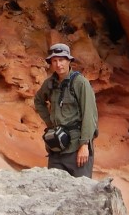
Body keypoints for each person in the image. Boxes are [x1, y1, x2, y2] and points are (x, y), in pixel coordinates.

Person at [33, 42, 98, 178]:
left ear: (69, 60)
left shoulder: (80, 83)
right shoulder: (49, 83)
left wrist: (84, 145)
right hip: (56, 148)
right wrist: (50, 123)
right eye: (54, 61)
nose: (58, 64)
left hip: (76, 148)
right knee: (53, 187)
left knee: (81, 189)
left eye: (61, 60)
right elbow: (38, 101)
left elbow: (89, 115)